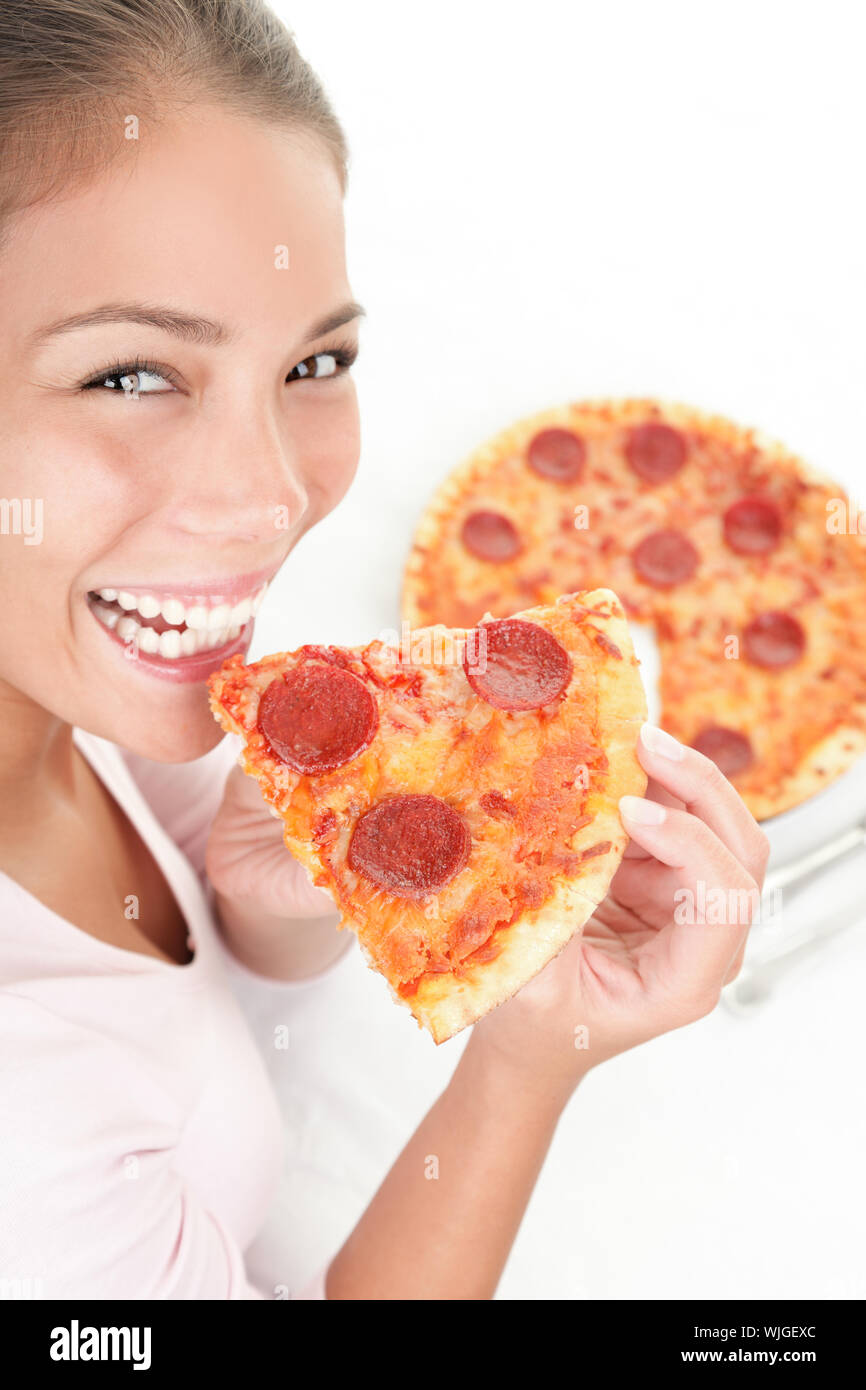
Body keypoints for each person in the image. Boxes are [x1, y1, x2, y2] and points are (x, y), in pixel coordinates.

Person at [0, 0, 768, 1301]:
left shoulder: (83, 661)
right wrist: (532, 1056)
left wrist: (294, 868)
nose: (271, 498)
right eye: (130, 375)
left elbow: (254, 915)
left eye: (316, 361)